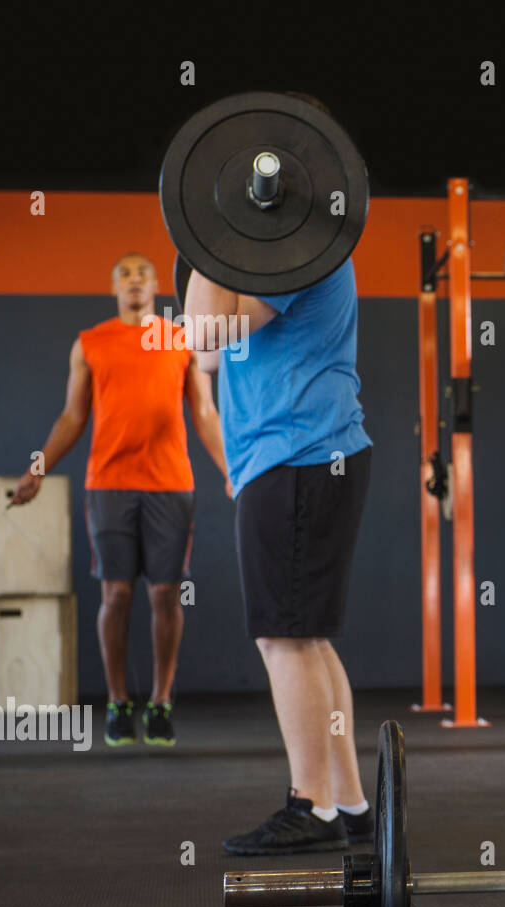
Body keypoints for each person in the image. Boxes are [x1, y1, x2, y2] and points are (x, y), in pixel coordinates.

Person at [184, 96, 374, 855]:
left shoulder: (303, 246)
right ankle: (352, 803)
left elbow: (202, 332)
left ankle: (313, 806)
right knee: (307, 638)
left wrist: (205, 225)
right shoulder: (280, 249)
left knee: (285, 639)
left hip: (301, 453)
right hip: (298, 455)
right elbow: (208, 344)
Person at [8, 253, 229, 748]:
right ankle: (116, 701)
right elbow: (71, 417)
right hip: (108, 484)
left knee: (164, 595)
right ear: (114, 286)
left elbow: (207, 414)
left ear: (155, 285)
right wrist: (36, 469)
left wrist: (230, 471)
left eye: (142, 273)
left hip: (171, 485)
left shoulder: (182, 339)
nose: (134, 280)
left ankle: (161, 702)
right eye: (124, 273)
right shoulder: (90, 343)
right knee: (118, 595)